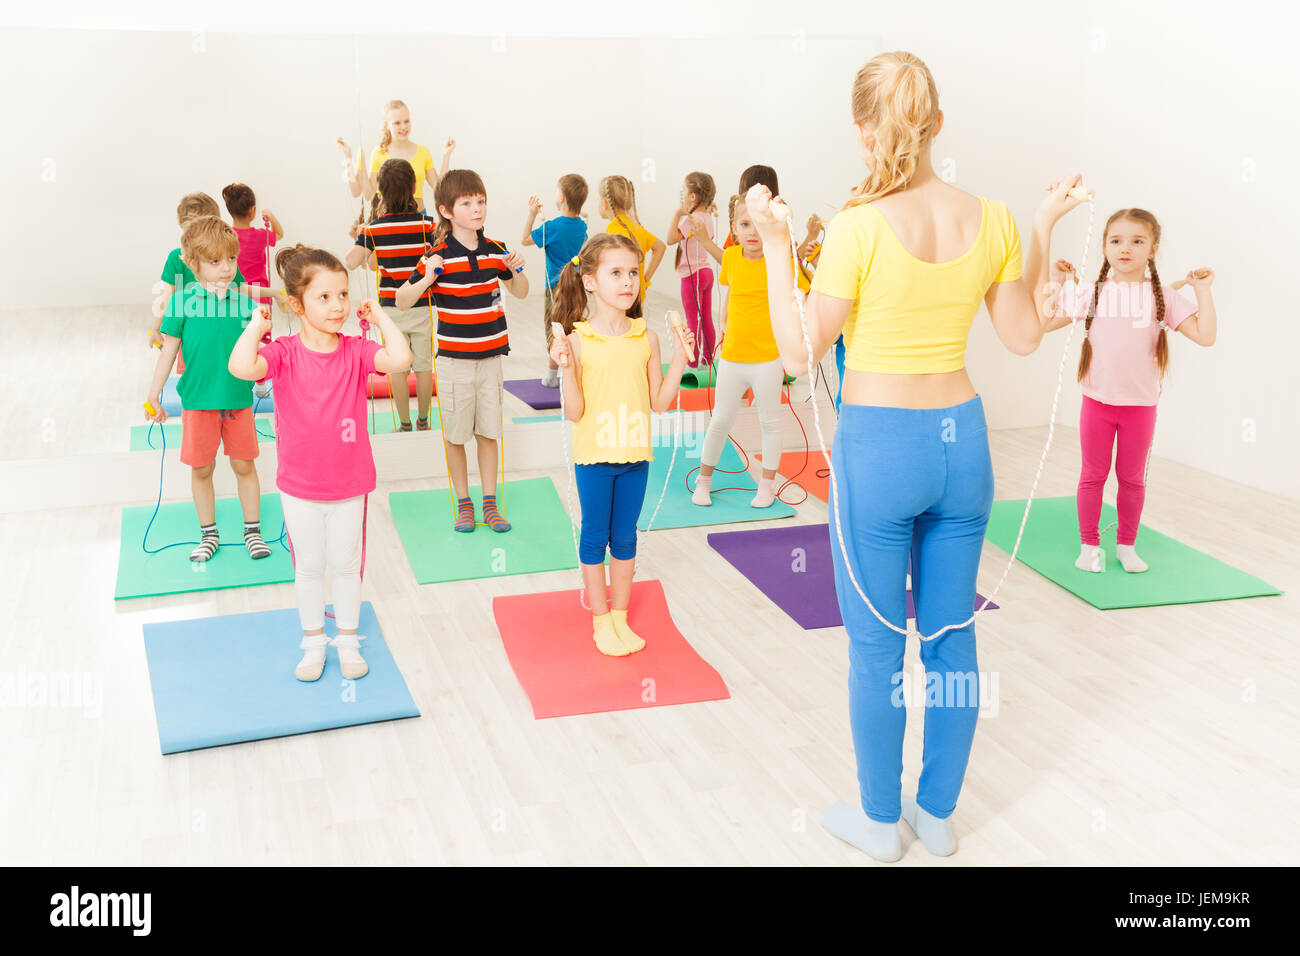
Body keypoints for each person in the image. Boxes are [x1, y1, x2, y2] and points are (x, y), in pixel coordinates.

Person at [747, 50, 1087, 862]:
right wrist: (1040, 227)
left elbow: (798, 353)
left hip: (880, 449)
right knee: (952, 637)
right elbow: (1022, 335)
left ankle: (877, 820)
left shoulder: (860, 227)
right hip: (961, 449)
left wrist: (771, 235)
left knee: (875, 645)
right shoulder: (994, 217)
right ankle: (936, 817)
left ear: (862, 130)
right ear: (938, 124)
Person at [228, 245, 412, 681]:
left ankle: (347, 641)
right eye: (324, 297)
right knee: (309, 566)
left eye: (343, 295)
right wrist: (257, 326)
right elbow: (241, 368)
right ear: (297, 304)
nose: (337, 306)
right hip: (299, 487)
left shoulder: (356, 350)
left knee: (347, 565)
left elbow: (401, 360)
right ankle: (313, 643)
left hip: (349, 485)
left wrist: (381, 316)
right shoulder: (285, 353)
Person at [1044, 209, 1218, 573]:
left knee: (1132, 478)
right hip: (1097, 404)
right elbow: (1045, 322)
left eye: (1137, 241)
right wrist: (1058, 281)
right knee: (1092, 475)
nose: (1125, 248)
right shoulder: (1092, 292)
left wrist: (1202, 291)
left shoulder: (1164, 298)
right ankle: (1089, 546)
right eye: (1116, 240)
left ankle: (1126, 545)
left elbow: (1205, 336)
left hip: (1140, 408)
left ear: (1153, 248)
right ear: (1104, 247)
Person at [549, 234, 695, 656]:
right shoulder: (577, 341)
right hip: (595, 457)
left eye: (633, 272)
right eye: (616, 273)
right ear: (590, 281)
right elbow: (574, 411)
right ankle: (599, 619)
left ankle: (619, 617)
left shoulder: (645, 338)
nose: (628, 281)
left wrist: (681, 358)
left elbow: (660, 403)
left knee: (625, 536)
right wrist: (565, 369)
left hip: (635, 456)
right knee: (595, 536)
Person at [395, 169, 528, 532]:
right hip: (454, 364)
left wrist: (514, 270)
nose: (477, 208)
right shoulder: (436, 256)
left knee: (488, 432)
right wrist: (427, 278)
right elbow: (402, 300)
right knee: (456, 435)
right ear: (446, 211)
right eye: (467, 203)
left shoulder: (496, 250)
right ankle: (463, 501)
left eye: (481, 201)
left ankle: (490, 502)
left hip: (490, 361)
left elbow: (522, 291)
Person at [522, 174, 589, 387]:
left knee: (555, 329)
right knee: (574, 327)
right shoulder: (581, 227)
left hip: (555, 288)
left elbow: (524, 240)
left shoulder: (553, 227)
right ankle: (577, 371)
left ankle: (552, 376)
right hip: (577, 286)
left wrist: (532, 214)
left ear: (560, 197)